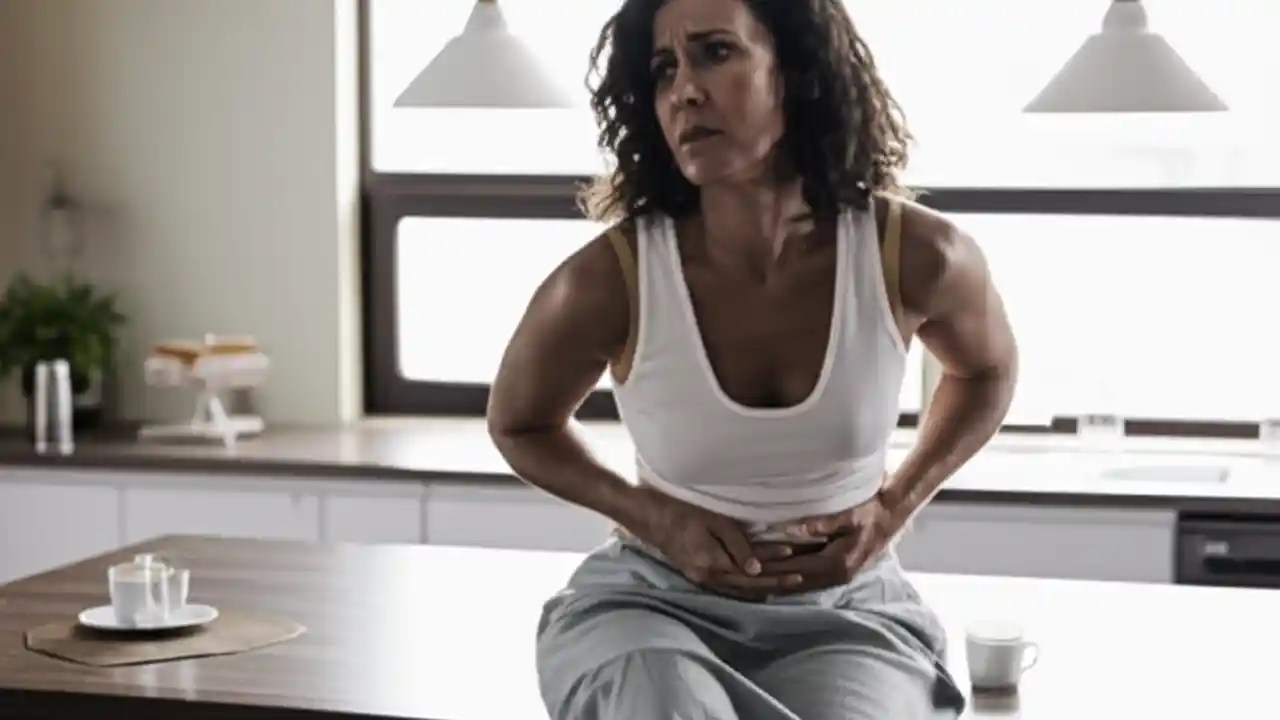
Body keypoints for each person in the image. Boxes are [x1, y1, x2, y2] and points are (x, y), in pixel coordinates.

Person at [487, 0, 1018, 717]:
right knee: (661, 698)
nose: (685, 91)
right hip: (650, 614)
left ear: (798, 73)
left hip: (849, 619)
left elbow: (985, 371)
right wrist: (655, 519)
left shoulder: (917, 256)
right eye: (663, 69)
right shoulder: (608, 280)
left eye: (715, 52)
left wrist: (895, 505)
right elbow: (518, 423)